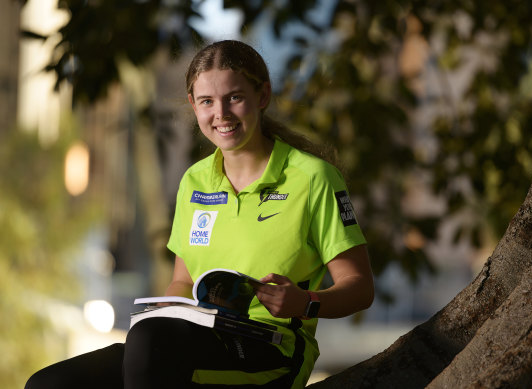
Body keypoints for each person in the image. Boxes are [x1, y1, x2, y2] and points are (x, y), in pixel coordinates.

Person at [26, 39, 374, 389]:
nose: (220, 114)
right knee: (50, 383)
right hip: (195, 337)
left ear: (263, 96)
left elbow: (359, 288)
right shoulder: (195, 180)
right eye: (207, 101)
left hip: (273, 350)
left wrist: (305, 302)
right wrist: (165, 309)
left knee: (150, 343)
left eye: (234, 98)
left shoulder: (313, 177)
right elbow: (183, 281)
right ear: (193, 105)